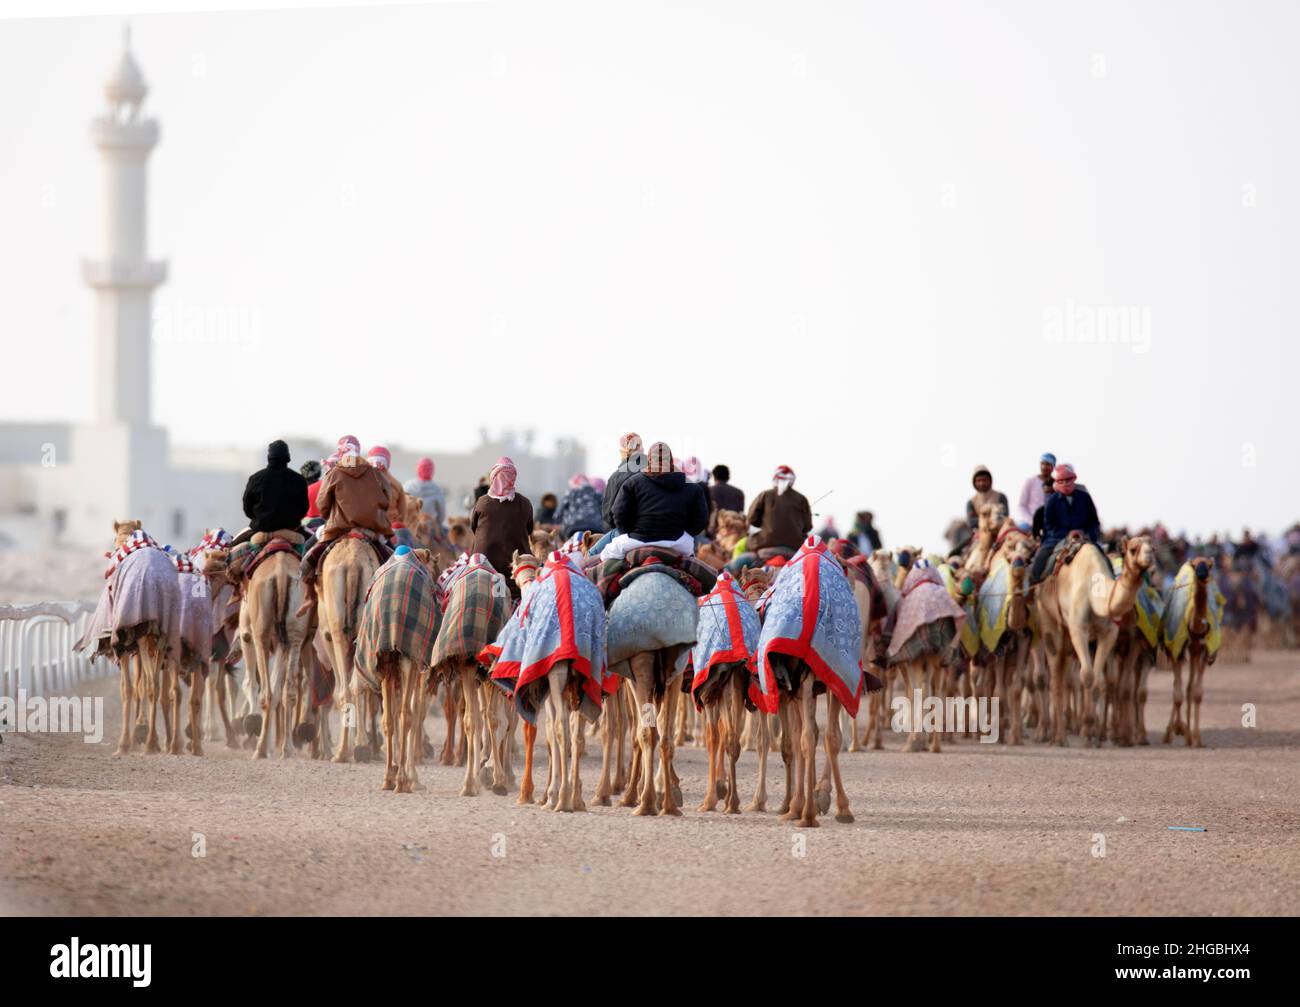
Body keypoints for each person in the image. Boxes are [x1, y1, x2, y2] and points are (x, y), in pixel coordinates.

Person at [602, 442, 709, 561]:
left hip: (636, 540)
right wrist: (682, 532)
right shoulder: (693, 487)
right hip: (678, 542)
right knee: (695, 571)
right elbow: (700, 521)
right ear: (671, 460)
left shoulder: (632, 482)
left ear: (648, 459)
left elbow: (618, 513)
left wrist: (630, 532)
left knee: (604, 556)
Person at [726, 465, 813, 573]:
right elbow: (808, 527)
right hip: (795, 550)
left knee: (731, 564)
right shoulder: (802, 499)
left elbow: (752, 519)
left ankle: (725, 581)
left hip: (765, 546)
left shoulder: (765, 495)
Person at [470, 457, 534, 600]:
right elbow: (530, 530)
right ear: (513, 477)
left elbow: (474, 528)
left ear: (493, 477)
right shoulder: (525, 503)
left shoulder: (482, 502)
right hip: (515, 575)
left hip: (482, 571)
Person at [1029, 463, 1101, 583]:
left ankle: (1108, 583)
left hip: (1084, 537)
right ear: (1056, 482)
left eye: (1068, 480)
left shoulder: (1085, 498)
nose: (1065, 483)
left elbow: (1094, 521)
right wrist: (1068, 533)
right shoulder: (1052, 501)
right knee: (1041, 556)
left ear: (1074, 479)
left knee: (1101, 556)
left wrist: (1086, 533)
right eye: (1061, 481)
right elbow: (1049, 526)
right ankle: (1033, 586)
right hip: (1057, 538)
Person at [233, 440, 309, 546]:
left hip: (260, 530)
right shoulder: (299, 480)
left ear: (269, 457)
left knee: (231, 550)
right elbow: (304, 508)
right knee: (318, 550)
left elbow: (247, 507)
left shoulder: (255, 478)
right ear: (288, 457)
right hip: (292, 531)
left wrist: (260, 519)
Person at [602, 432, 647, 530]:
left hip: (629, 532)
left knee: (596, 546)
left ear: (622, 451)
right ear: (642, 448)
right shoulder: (658, 470)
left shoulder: (616, 477)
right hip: (668, 530)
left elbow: (608, 514)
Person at [367, 445, 410, 546]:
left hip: (365, 527)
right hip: (390, 528)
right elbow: (403, 514)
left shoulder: (359, 482)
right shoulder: (397, 484)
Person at [404, 457, 446, 540]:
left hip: (409, 525)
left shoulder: (407, 486)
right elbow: (441, 514)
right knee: (450, 546)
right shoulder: (437, 489)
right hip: (430, 527)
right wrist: (438, 524)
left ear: (418, 469)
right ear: (432, 471)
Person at [555, 474, 607, 539]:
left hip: (573, 527)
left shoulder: (570, 493)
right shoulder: (596, 493)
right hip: (595, 527)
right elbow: (605, 511)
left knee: (572, 545)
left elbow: (558, 514)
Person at [966, 464, 1010, 533]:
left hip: (1000, 531)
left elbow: (1005, 515)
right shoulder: (971, 502)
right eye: (978, 480)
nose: (982, 483)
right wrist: (986, 520)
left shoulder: (1001, 497)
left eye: (984, 480)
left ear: (990, 480)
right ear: (974, 483)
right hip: (980, 533)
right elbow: (971, 522)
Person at [1018, 452, 1056, 524]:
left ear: (1053, 467)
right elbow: (1021, 505)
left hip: (1050, 522)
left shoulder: (1057, 484)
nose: (1044, 467)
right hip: (1029, 521)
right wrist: (1031, 521)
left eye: (1048, 464)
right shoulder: (1030, 481)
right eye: (1042, 463)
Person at [707, 464, 745, 533]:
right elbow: (740, 514)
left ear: (714, 477)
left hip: (713, 532)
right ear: (728, 477)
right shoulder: (739, 493)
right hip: (734, 533)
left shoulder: (708, 491)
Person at [300, 459, 324, 532]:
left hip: (309, 523)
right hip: (327, 521)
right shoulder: (326, 485)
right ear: (319, 473)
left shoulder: (301, 491)